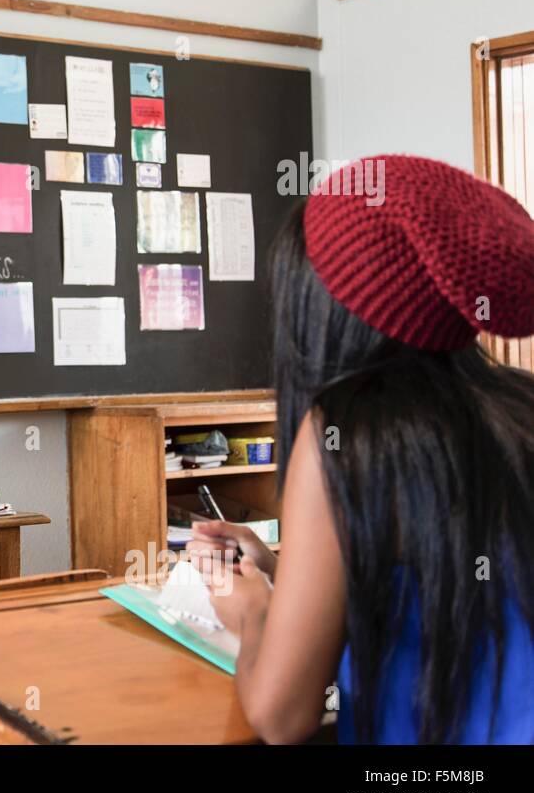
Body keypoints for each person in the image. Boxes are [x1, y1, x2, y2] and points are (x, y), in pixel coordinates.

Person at [191, 155, 534, 743]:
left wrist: (253, 608)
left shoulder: (343, 439)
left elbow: (281, 717)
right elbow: (450, 580)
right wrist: (286, 569)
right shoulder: (517, 409)